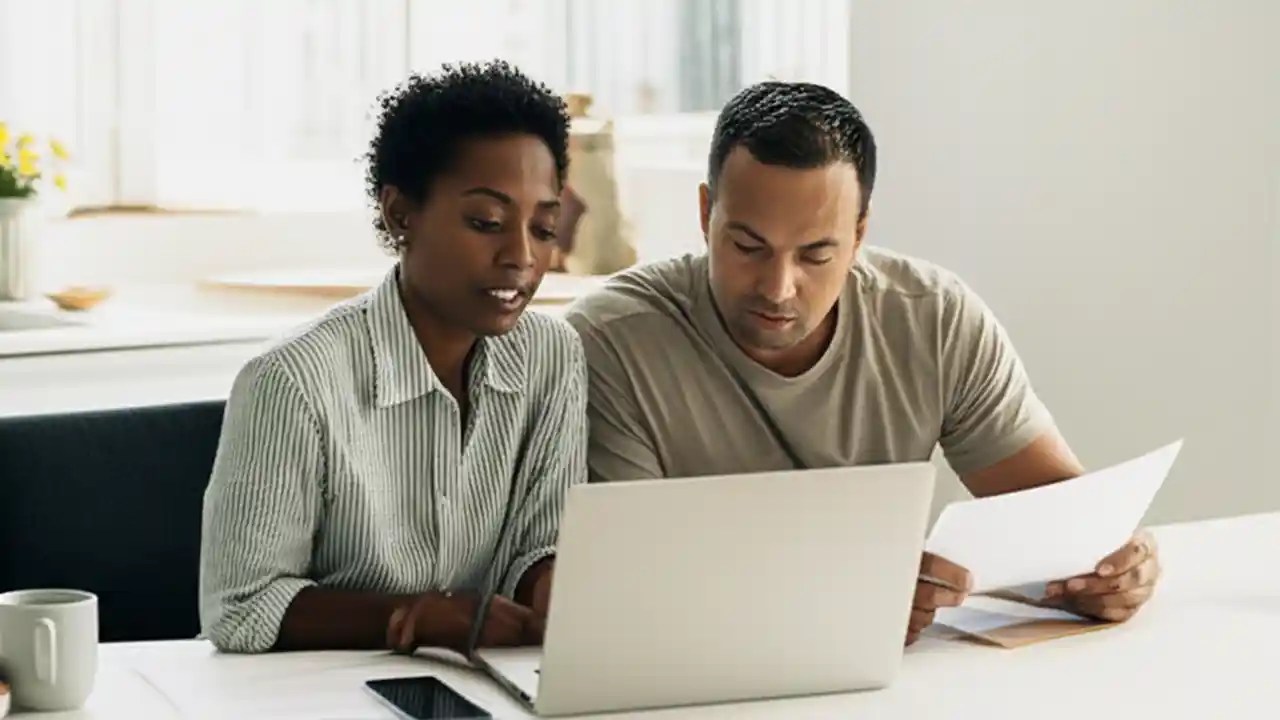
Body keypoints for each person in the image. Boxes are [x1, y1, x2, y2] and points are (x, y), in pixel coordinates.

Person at [563, 81, 1159, 645]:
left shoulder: (935, 320)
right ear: (704, 213)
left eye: (817, 253)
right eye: (748, 247)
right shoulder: (609, 343)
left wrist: (1107, 572)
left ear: (860, 234)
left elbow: (1063, 527)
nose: (778, 287)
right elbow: (625, 592)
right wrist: (836, 598)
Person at [200, 60, 586, 654]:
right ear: (400, 213)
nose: (521, 256)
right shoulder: (292, 382)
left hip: (491, 686)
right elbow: (241, 608)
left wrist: (555, 587)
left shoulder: (552, 357)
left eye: (543, 227)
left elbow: (537, 546)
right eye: (486, 222)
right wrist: (413, 617)